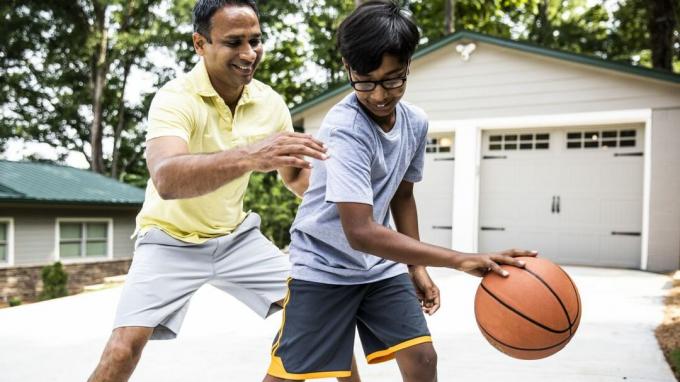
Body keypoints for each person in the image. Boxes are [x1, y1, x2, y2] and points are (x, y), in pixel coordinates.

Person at [263, 2, 537, 381]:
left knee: (423, 358)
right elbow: (359, 232)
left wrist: (417, 267)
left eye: (392, 80)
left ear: (408, 65)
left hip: (379, 268)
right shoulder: (346, 129)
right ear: (348, 69)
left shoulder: (415, 122)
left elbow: (402, 196)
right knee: (289, 376)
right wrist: (458, 259)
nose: (378, 95)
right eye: (365, 81)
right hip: (323, 268)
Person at [88, 1, 361, 381]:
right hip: (168, 241)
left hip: (237, 239)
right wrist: (250, 155)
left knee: (321, 311)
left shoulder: (270, 102)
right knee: (122, 349)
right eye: (234, 42)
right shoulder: (175, 98)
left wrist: (353, 210)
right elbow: (166, 179)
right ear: (200, 44)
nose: (249, 54)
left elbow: (297, 178)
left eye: (256, 40)